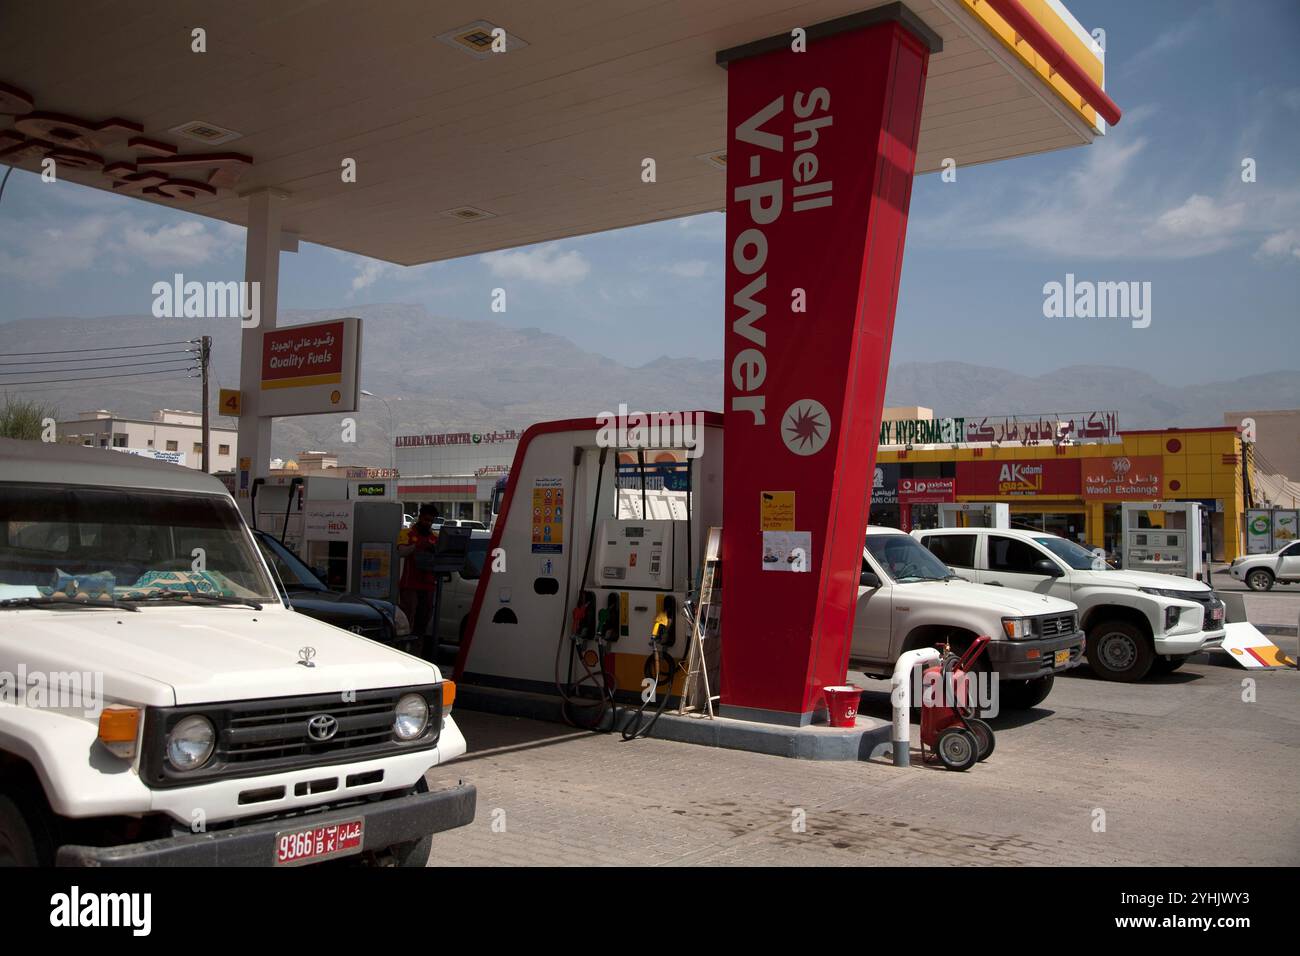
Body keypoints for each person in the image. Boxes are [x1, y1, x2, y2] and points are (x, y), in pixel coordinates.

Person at [397, 503, 441, 640]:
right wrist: (417, 546)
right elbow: (401, 552)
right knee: (408, 617)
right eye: (426, 520)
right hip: (410, 585)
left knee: (423, 620)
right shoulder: (406, 533)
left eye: (431, 521)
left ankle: (418, 650)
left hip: (428, 585)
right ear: (420, 517)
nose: (428, 523)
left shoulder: (435, 537)